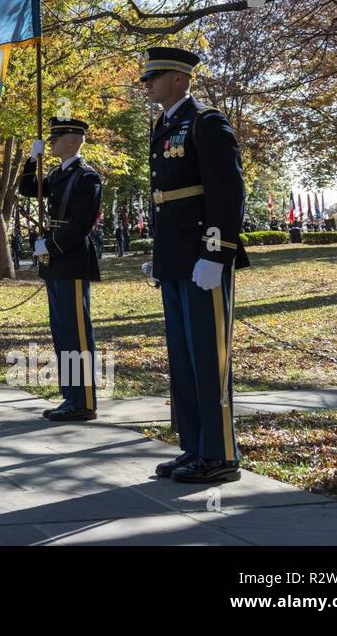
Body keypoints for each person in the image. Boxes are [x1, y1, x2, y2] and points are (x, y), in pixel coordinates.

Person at [140, 47, 250, 483]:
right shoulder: (164, 126)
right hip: (176, 258)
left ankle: (220, 454)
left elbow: (227, 192)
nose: (147, 83)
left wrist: (217, 252)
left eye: (156, 75)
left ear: (181, 79)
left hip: (203, 257)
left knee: (209, 355)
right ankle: (195, 446)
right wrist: (160, 256)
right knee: (183, 358)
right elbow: (165, 202)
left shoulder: (206, 123)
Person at [19, 118, 102, 422]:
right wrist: (31, 159)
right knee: (62, 333)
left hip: (72, 259)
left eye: (56, 137)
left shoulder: (86, 178)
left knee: (77, 333)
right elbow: (27, 188)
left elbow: (80, 225)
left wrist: (49, 245)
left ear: (72, 140)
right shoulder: (58, 173)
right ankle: (71, 397)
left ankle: (84, 400)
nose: (51, 143)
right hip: (55, 262)